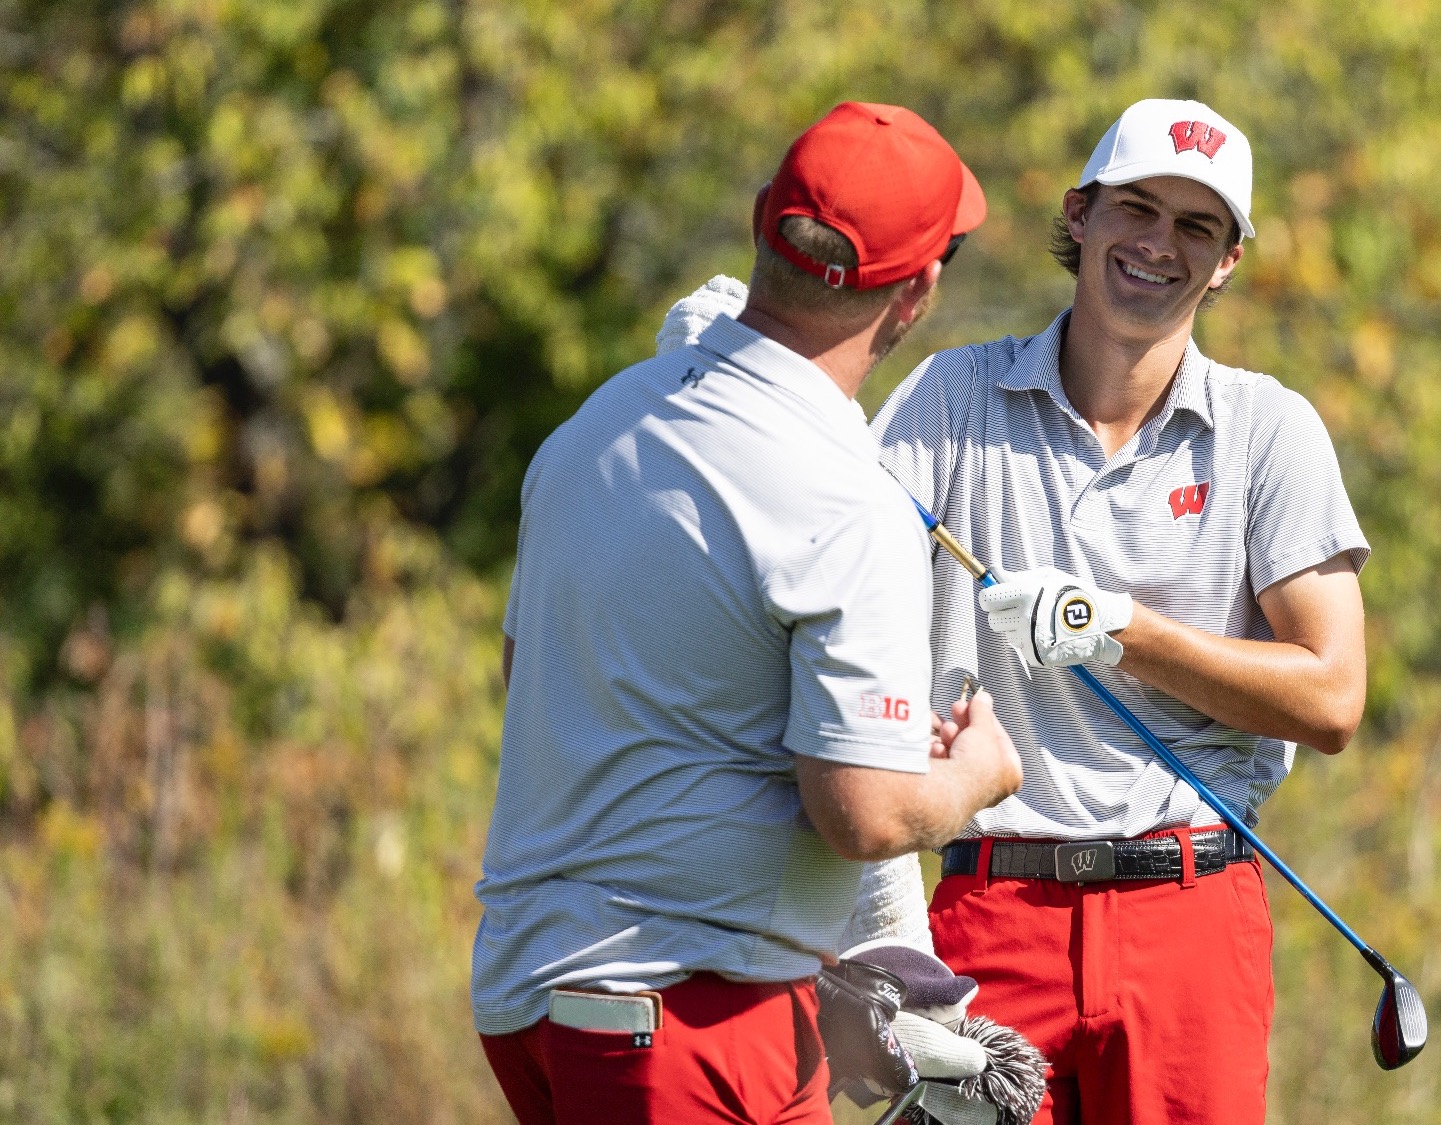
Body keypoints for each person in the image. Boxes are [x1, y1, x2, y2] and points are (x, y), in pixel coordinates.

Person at [471, 101, 1023, 1125]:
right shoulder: (843, 496)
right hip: (684, 1022)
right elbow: (860, 814)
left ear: (764, 222)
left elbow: (533, 676)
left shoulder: (597, 423)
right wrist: (969, 778)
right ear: (919, 289)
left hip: (533, 1002)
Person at [869, 98, 1372, 1125]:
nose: (1159, 245)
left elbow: (1330, 699)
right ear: (1079, 214)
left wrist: (1122, 633)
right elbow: (830, 591)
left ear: (1228, 259)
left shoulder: (1266, 431)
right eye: (1136, 209)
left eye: (1197, 227)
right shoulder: (949, 398)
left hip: (1189, 906)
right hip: (990, 901)